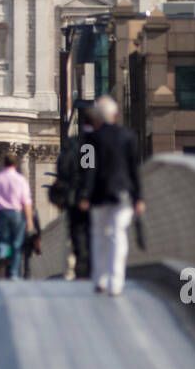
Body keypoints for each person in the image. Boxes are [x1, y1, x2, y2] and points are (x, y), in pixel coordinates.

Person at [78, 95, 145, 297]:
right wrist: (138, 197)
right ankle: (116, 281)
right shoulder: (128, 137)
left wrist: (84, 194)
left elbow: (86, 170)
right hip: (122, 193)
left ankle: (100, 278)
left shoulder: (88, 141)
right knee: (118, 235)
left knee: (98, 234)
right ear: (116, 115)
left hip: (98, 194)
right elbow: (134, 169)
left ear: (97, 117)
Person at [50, 107, 97, 280]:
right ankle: (86, 267)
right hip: (85, 198)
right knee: (89, 232)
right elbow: (88, 170)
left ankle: (80, 264)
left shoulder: (71, 144)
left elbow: (62, 169)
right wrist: (85, 194)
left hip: (72, 197)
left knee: (76, 233)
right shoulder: (87, 145)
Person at [0, 151, 34, 281]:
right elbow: (26, 201)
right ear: (16, 164)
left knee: (3, 241)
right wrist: (29, 220)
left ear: (4, 163)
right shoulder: (21, 179)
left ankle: (2, 262)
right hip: (16, 213)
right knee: (16, 243)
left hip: (2, 213)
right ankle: (14, 273)